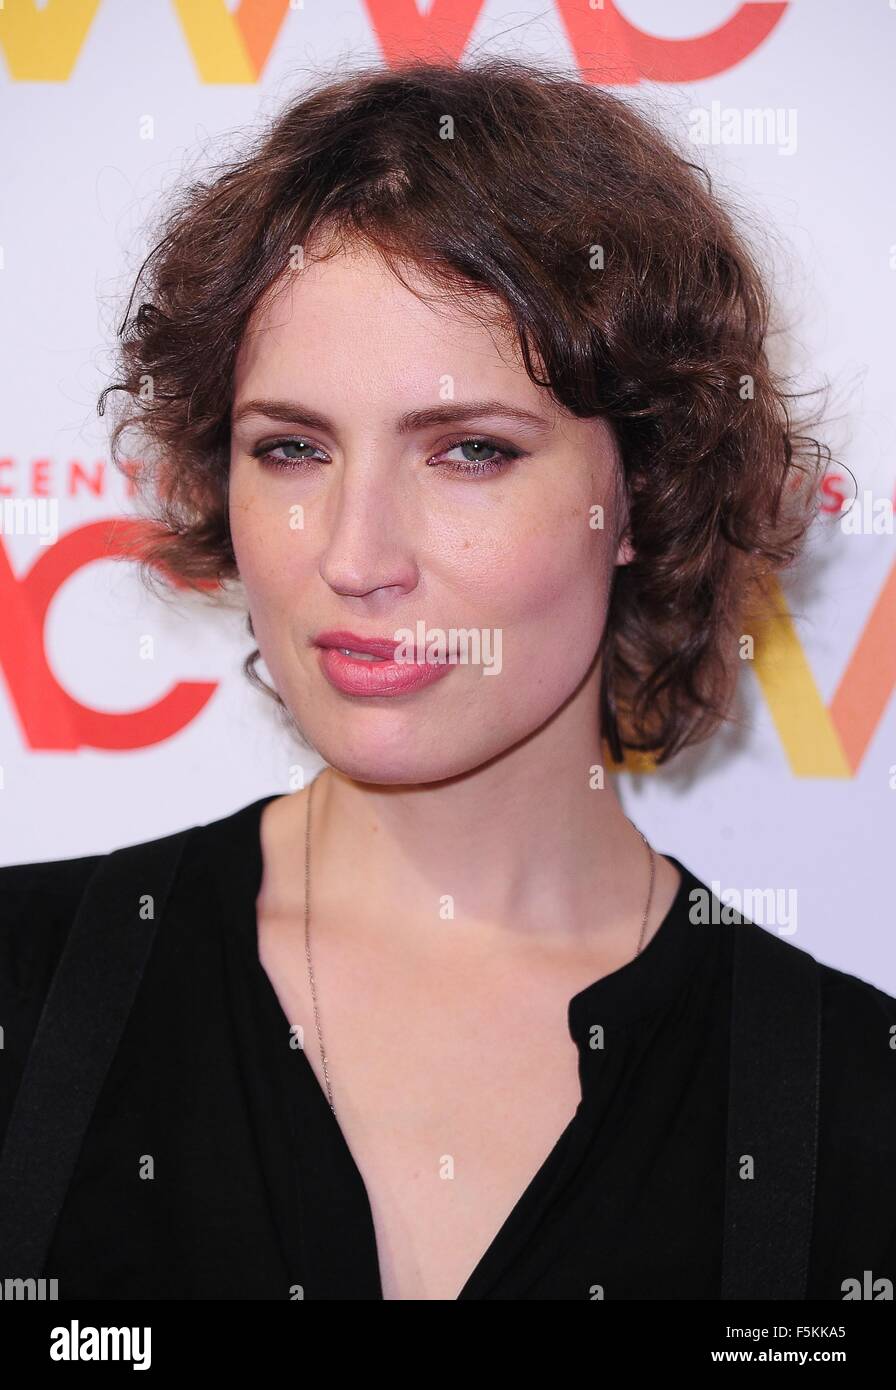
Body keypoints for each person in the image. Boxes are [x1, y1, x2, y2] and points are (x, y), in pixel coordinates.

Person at [1, 57, 894, 1303]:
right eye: (291, 448)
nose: (356, 557)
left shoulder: (853, 1107)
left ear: (638, 491)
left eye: (469, 451)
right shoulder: (27, 991)